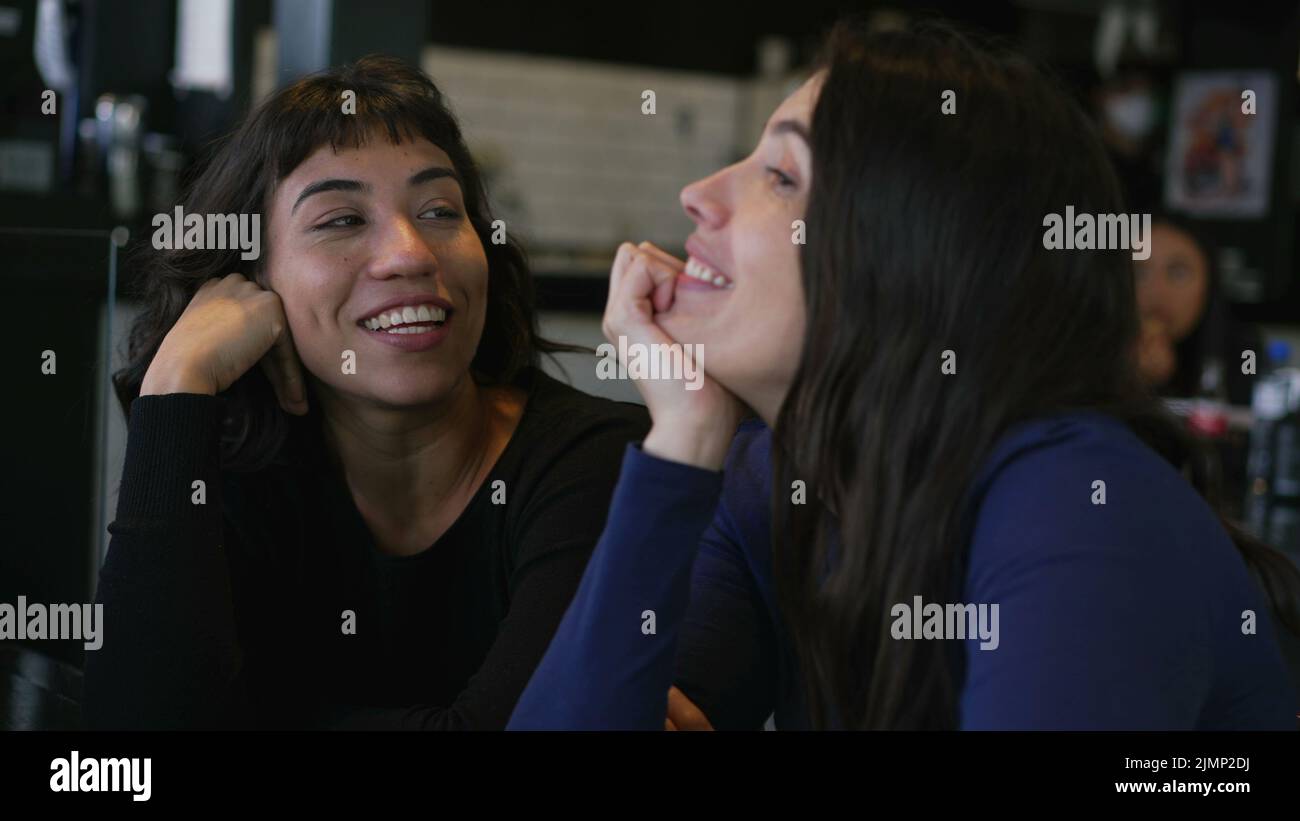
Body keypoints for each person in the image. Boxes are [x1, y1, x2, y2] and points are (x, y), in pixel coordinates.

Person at [508, 19, 1300, 730]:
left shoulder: (1079, 499)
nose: (698, 194)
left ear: (914, 259)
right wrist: (682, 441)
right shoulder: (776, 481)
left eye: (781, 176)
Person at [82, 55, 648, 730]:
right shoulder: (236, 466)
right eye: (341, 220)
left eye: (440, 209)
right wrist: (176, 381)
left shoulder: (598, 462)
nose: (410, 253)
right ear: (251, 281)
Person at [1135, 214, 1262, 407]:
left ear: (1210, 283)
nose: (1157, 292)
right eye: (1139, 273)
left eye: (1178, 273)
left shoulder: (1246, 351)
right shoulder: (1096, 351)